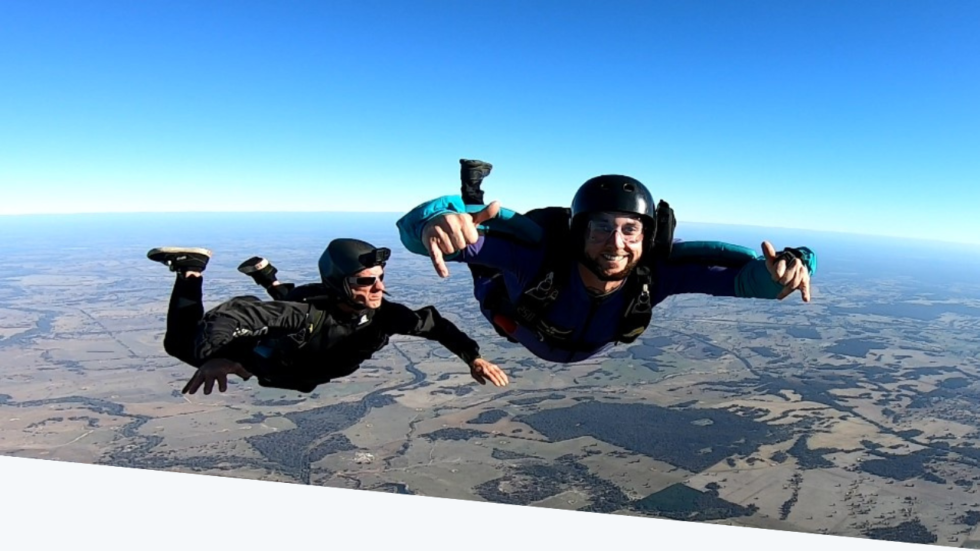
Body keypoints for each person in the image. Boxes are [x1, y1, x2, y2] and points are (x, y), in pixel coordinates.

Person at [394, 159, 818, 364]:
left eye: (630, 229)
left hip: (569, 341)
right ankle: (471, 197)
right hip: (513, 316)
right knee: (484, 257)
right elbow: (419, 238)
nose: (616, 243)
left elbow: (747, 281)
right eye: (600, 227)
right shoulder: (537, 260)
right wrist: (436, 222)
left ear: (647, 236)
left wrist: (790, 267)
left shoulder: (658, 273)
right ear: (578, 231)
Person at [146, 238, 509, 396]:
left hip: (304, 362)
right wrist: (219, 356)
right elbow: (236, 315)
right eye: (366, 282)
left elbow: (437, 326)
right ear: (339, 282)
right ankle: (191, 270)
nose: (379, 288)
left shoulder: (386, 315)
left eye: (381, 278)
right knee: (180, 345)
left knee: (299, 307)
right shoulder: (305, 313)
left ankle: (267, 276)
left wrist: (472, 357)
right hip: (277, 358)